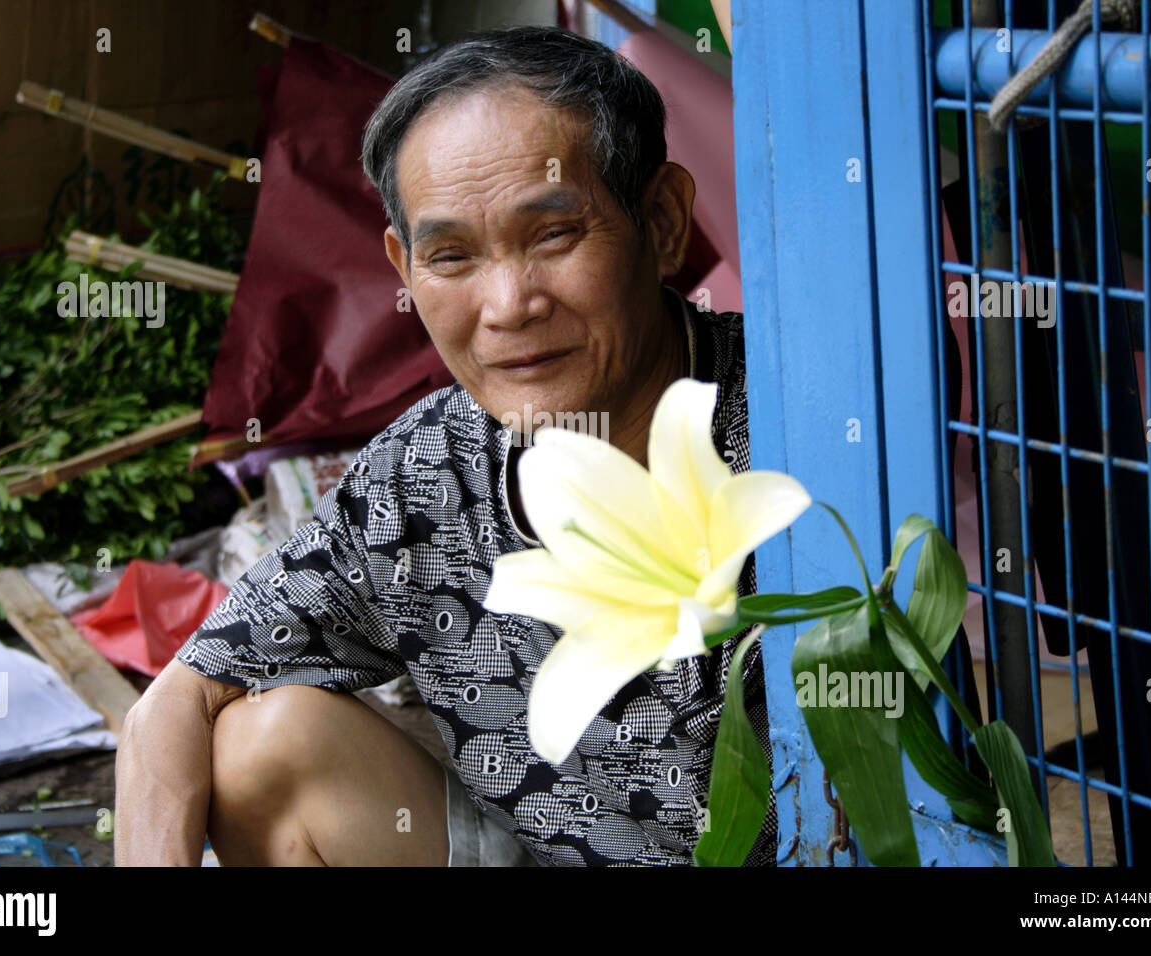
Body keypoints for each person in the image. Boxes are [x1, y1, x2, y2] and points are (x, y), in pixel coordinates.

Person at [115, 24, 774, 867]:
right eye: (452, 255)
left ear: (663, 222)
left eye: (553, 236)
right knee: (260, 746)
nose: (507, 306)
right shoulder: (421, 479)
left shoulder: (804, 429)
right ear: (403, 265)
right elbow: (177, 699)